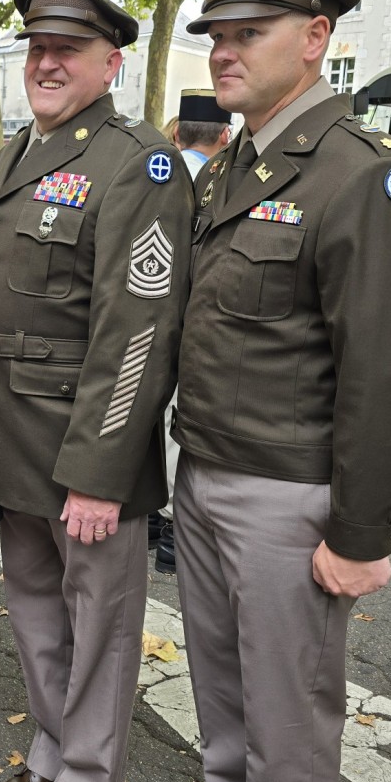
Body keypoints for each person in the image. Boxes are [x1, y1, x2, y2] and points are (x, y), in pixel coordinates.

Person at [138, 0, 391, 782]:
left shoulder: (366, 181)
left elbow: (389, 377)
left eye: (249, 32)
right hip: (214, 475)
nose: (225, 51)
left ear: (315, 39)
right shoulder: (237, 164)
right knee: (223, 688)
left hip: (292, 497)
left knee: (288, 702)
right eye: (216, 34)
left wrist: (362, 536)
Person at [0, 0, 193, 782]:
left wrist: (102, 472)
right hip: (10, 436)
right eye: (38, 46)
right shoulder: (19, 150)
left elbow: (139, 332)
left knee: (97, 625)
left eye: (69, 48)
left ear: (112, 62)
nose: (48, 61)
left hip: (82, 447)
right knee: (34, 607)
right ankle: (54, 752)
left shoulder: (140, 161)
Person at [151, 89, 234, 574]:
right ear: (225, 135)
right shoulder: (219, 181)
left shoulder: (149, 169)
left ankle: (147, 516)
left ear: (178, 131)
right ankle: (171, 531)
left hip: (142, 316)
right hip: (194, 318)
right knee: (180, 420)